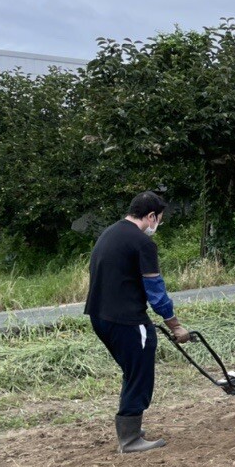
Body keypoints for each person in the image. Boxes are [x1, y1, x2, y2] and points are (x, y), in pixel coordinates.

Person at [84, 191, 190, 453]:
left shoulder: (110, 233)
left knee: (132, 371)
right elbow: (155, 290)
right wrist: (175, 325)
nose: (158, 225)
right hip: (126, 319)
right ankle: (130, 439)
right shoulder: (143, 243)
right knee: (140, 373)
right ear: (151, 216)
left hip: (99, 316)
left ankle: (130, 428)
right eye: (159, 219)